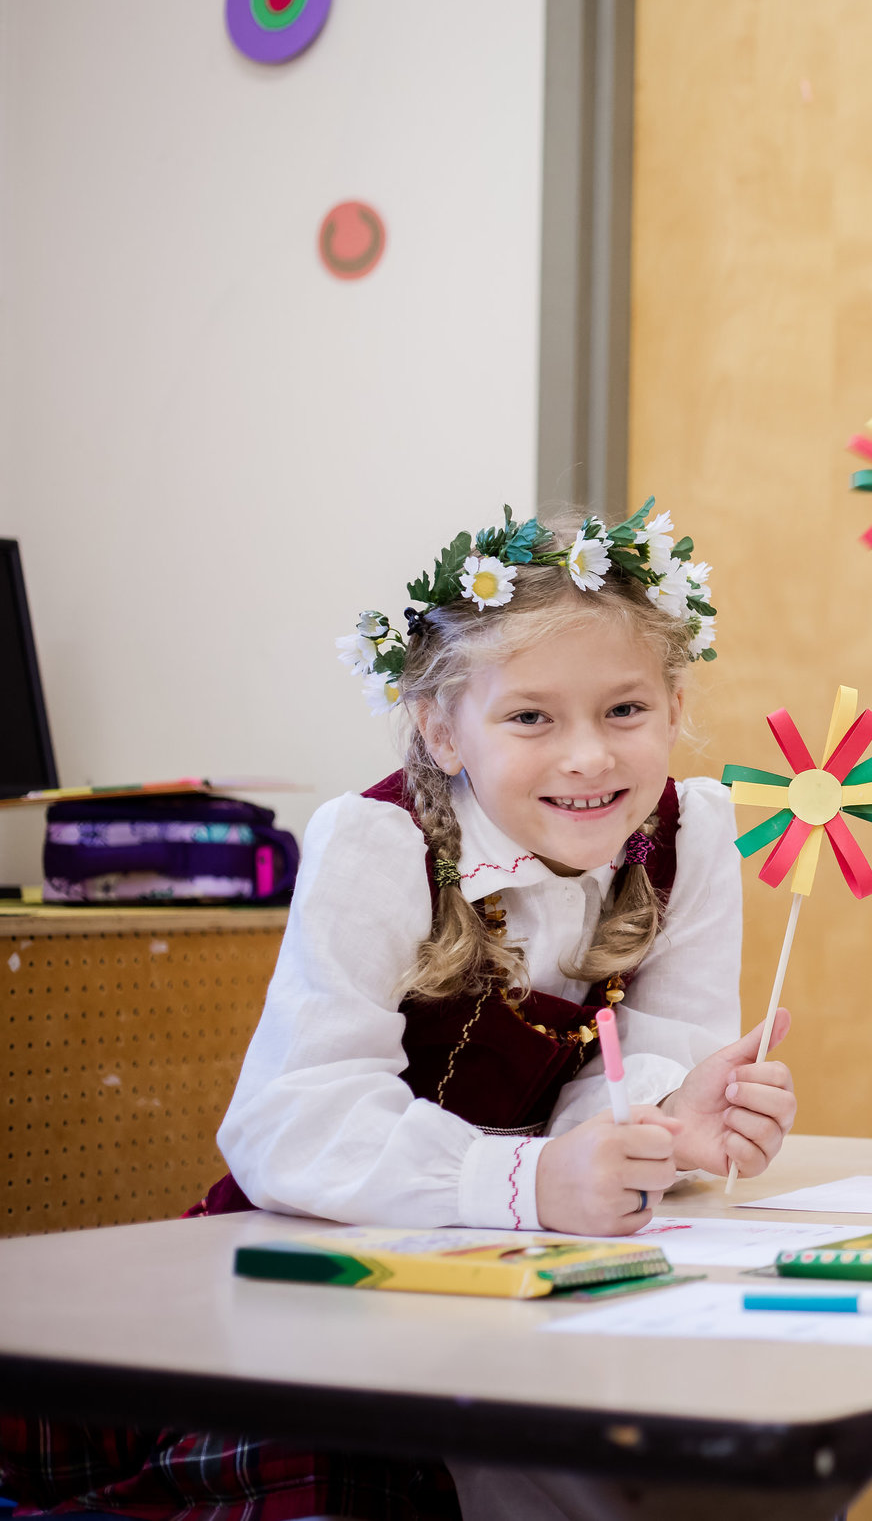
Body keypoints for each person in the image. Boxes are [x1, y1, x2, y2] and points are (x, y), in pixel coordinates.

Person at [0, 501, 794, 1521]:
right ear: (440, 727)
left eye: (626, 710)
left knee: (695, 1462)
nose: (590, 756)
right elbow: (292, 1118)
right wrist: (533, 1179)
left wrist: (657, 1130)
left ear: (677, 705)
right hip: (326, 1291)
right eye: (531, 716)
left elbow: (642, 1060)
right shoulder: (376, 841)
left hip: (525, 1288)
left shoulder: (695, 832)